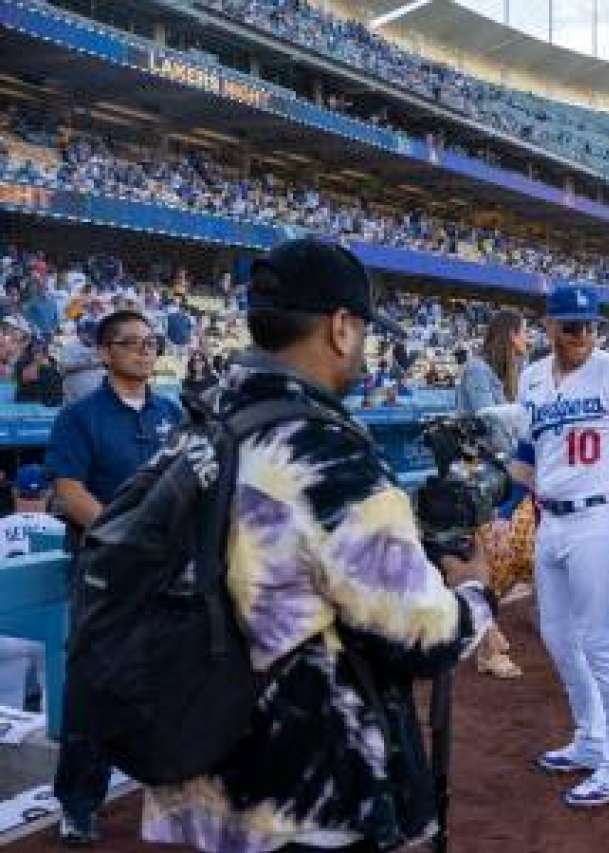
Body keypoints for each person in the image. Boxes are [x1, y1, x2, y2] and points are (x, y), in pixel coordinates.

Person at [141, 237, 496, 852]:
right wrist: (475, 593)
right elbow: (422, 632)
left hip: (204, 775)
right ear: (339, 327)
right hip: (309, 794)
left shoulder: (196, 425)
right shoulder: (323, 449)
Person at [502, 284, 609, 807]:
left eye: (591, 327)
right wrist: (503, 506)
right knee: (557, 635)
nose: (583, 336)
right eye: (572, 327)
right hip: (551, 518)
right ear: (548, 327)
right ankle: (592, 740)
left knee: (604, 643)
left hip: (602, 517)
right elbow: (529, 454)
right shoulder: (530, 379)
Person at [46, 309, 182, 845]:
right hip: (104, 571)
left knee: (171, 676)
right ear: (105, 353)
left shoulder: (171, 411)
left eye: (151, 343)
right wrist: (132, 535)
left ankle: (168, 783)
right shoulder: (79, 417)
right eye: (132, 344)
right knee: (94, 687)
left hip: (166, 570)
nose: (145, 351)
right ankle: (79, 805)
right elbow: (69, 492)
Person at [455, 309, 530, 680]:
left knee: (498, 559)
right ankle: (485, 647)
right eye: (523, 334)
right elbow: (488, 422)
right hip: (475, 476)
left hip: (496, 477)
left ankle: (489, 633)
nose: (526, 341)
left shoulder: (505, 372)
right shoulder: (478, 370)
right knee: (484, 563)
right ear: (510, 334)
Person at [0, 465, 65, 713]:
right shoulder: (61, 530)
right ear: (48, 494)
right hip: (48, 631)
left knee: (6, 716)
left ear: (15, 492)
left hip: (6, 630)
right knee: (52, 714)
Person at [58, 319, 106, 404]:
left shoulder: (101, 347)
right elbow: (65, 367)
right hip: (76, 399)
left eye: (94, 333)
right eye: (88, 333)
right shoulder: (69, 347)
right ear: (79, 333)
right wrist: (91, 364)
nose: (92, 335)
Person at [13, 338, 63, 406]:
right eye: (35, 350)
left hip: (48, 401)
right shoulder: (22, 362)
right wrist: (37, 363)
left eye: (39, 350)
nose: (37, 352)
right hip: (27, 400)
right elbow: (25, 378)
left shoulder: (52, 363)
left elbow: (57, 382)